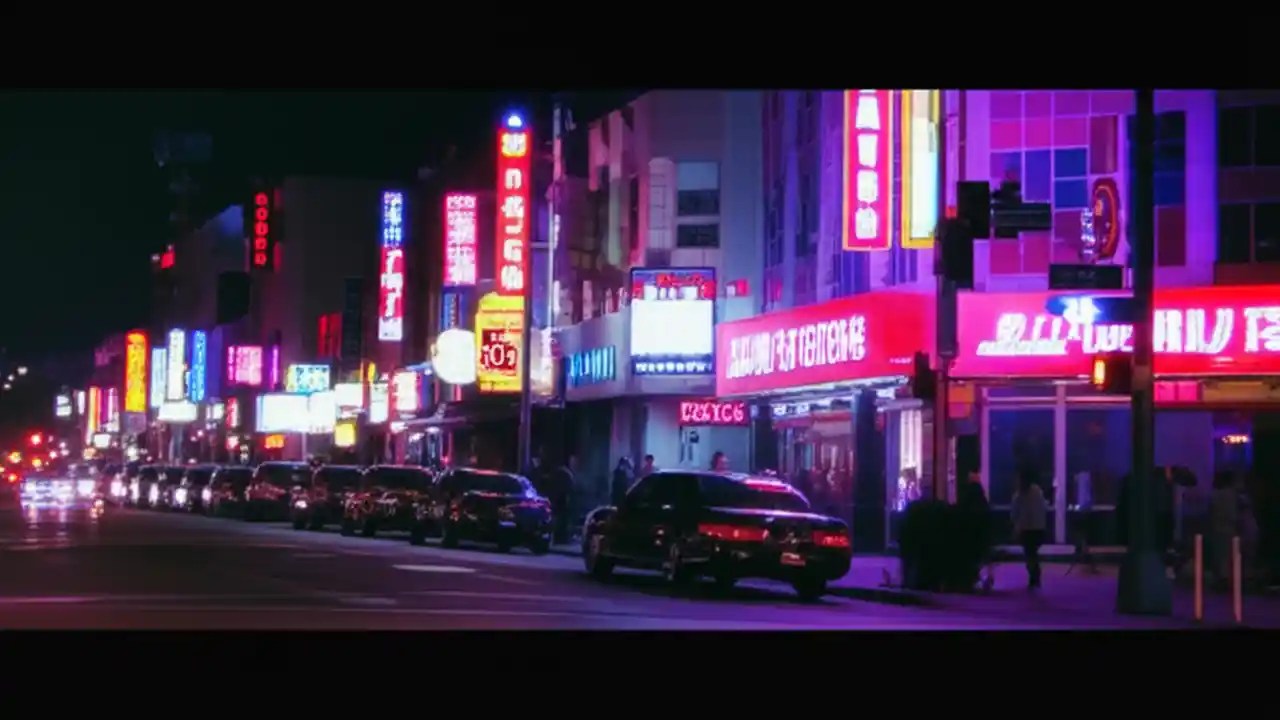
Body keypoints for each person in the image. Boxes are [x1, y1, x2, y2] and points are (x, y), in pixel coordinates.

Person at [1011, 471, 1048, 590]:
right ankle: (1035, 577)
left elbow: (1015, 514)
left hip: (1027, 529)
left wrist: (1017, 527)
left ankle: (1034, 577)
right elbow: (1043, 509)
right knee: (1032, 554)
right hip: (1039, 528)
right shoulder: (1038, 492)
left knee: (1030, 554)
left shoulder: (1019, 496)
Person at [957, 470, 992, 591]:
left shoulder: (968, 497)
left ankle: (974, 578)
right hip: (980, 533)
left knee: (973, 556)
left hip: (971, 532)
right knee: (981, 556)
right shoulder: (981, 499)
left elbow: (962, 512)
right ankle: (983, 578)